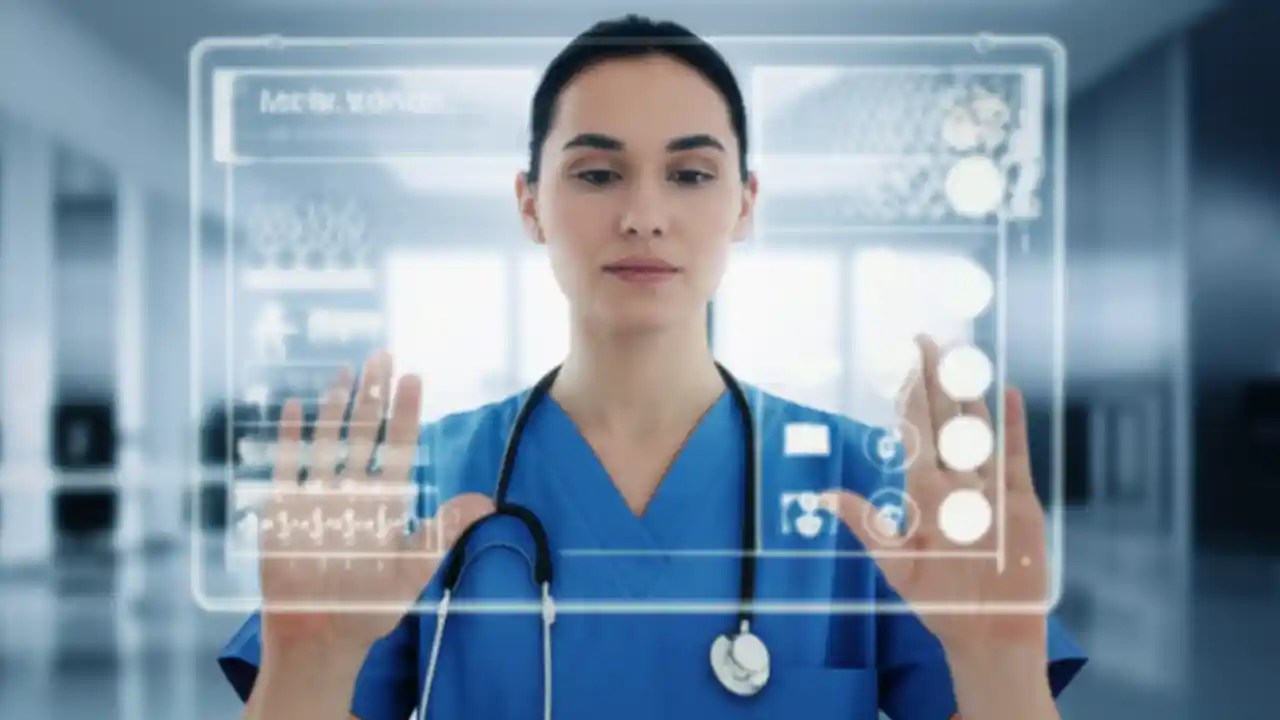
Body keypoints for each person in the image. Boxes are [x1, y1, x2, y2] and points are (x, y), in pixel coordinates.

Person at [219, 14, 1086, 720]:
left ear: (746, 204)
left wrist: (1001, 665)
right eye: (597, 173)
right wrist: (305, 668)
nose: (643, 215)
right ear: (529, 204)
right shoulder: (420, 490)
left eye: (691, 174)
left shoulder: (872, 493)